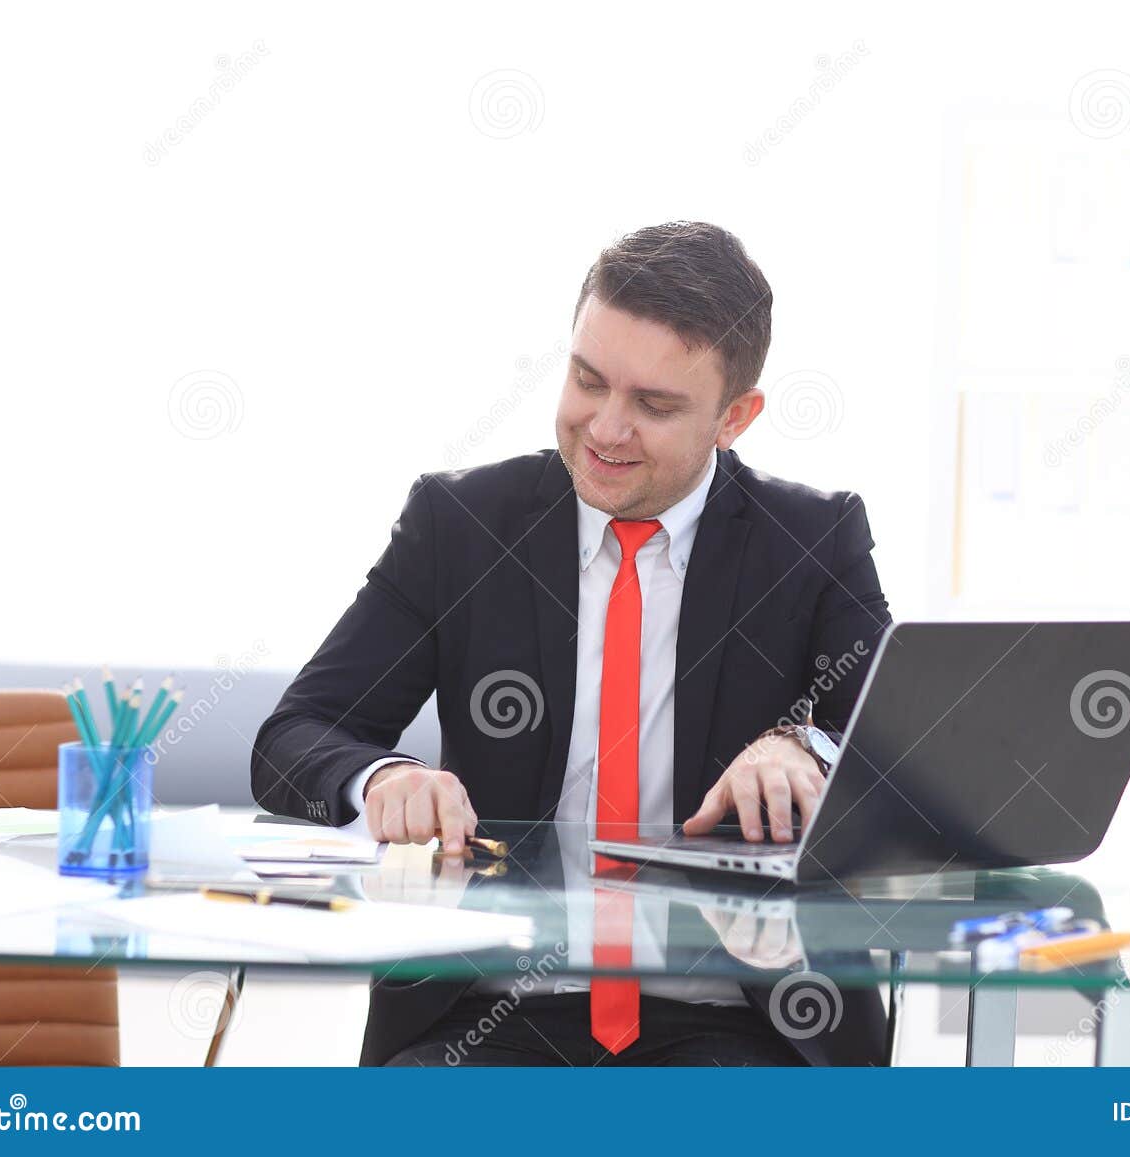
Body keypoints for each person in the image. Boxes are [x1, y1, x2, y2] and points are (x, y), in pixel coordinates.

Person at [252, 220, 892, 1065]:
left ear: (735, 416)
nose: (606, 429)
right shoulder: (463, 526)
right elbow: (294, 737)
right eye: (588, 380)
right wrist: (386, 777)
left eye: (656, 405)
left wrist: (806, 748)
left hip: (743, 1022)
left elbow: (913, 766)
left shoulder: (814, 538)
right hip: (488, 1016)